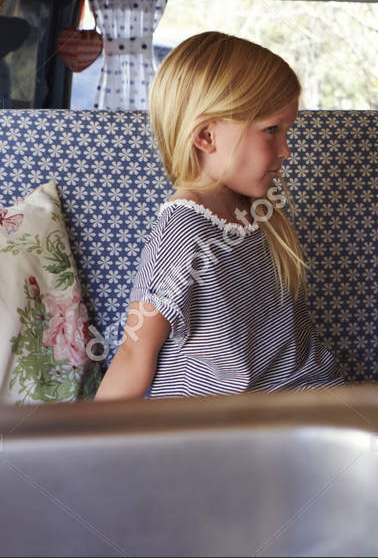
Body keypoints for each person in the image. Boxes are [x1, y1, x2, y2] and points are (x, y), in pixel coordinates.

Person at [95, 32, 340, 400]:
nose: (286, 150)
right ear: (206, 136)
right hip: (224, 424)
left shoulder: (256, 213)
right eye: (272, 130)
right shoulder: (182, 232)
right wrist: (92, 435)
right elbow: (134, 354)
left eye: (286, 132)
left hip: (305, 402)